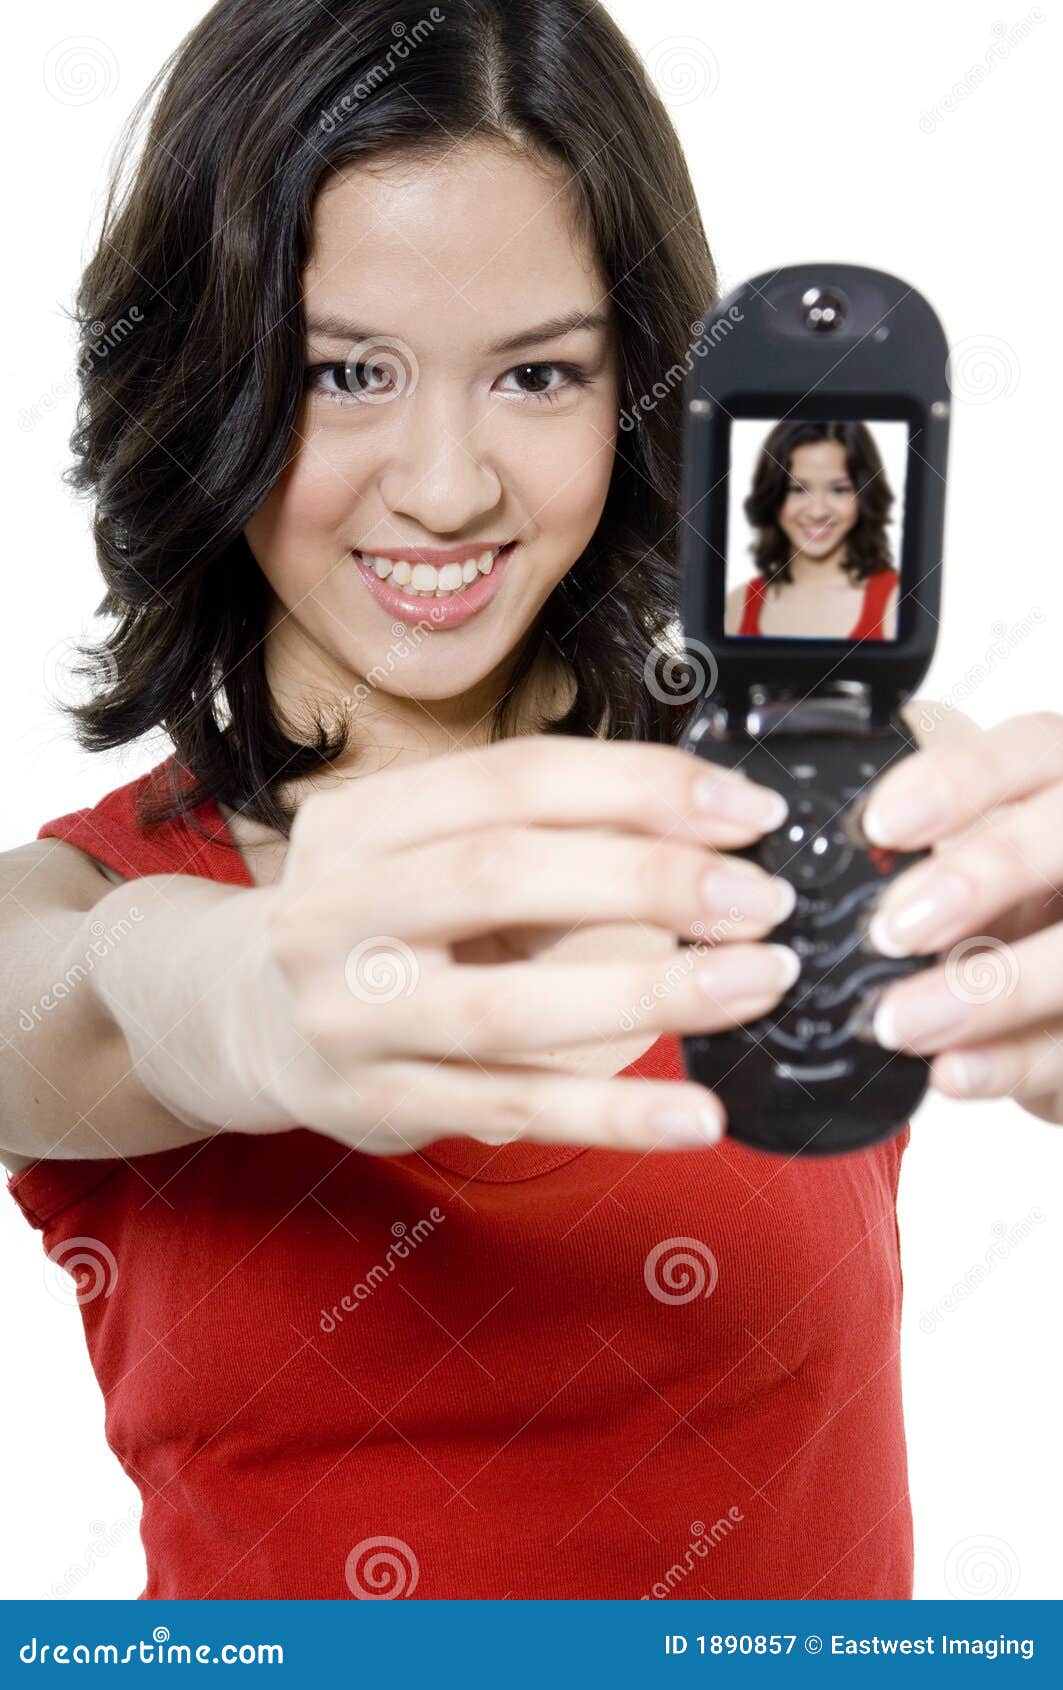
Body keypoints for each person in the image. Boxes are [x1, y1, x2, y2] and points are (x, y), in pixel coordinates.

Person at [4, 0, 1062, 1604]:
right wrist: (238, 986)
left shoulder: (843, 819)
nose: (445, 487)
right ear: (206, 383)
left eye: (538, 373)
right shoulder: (62, 904)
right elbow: (90, 997)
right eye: (344, 372)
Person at [725, 421, 900, 640]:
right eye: (798, 489)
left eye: (839, 489)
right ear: (772, 496)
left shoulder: (898, 603)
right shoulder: (737, 607)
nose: (818, 512)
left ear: (864, 495)